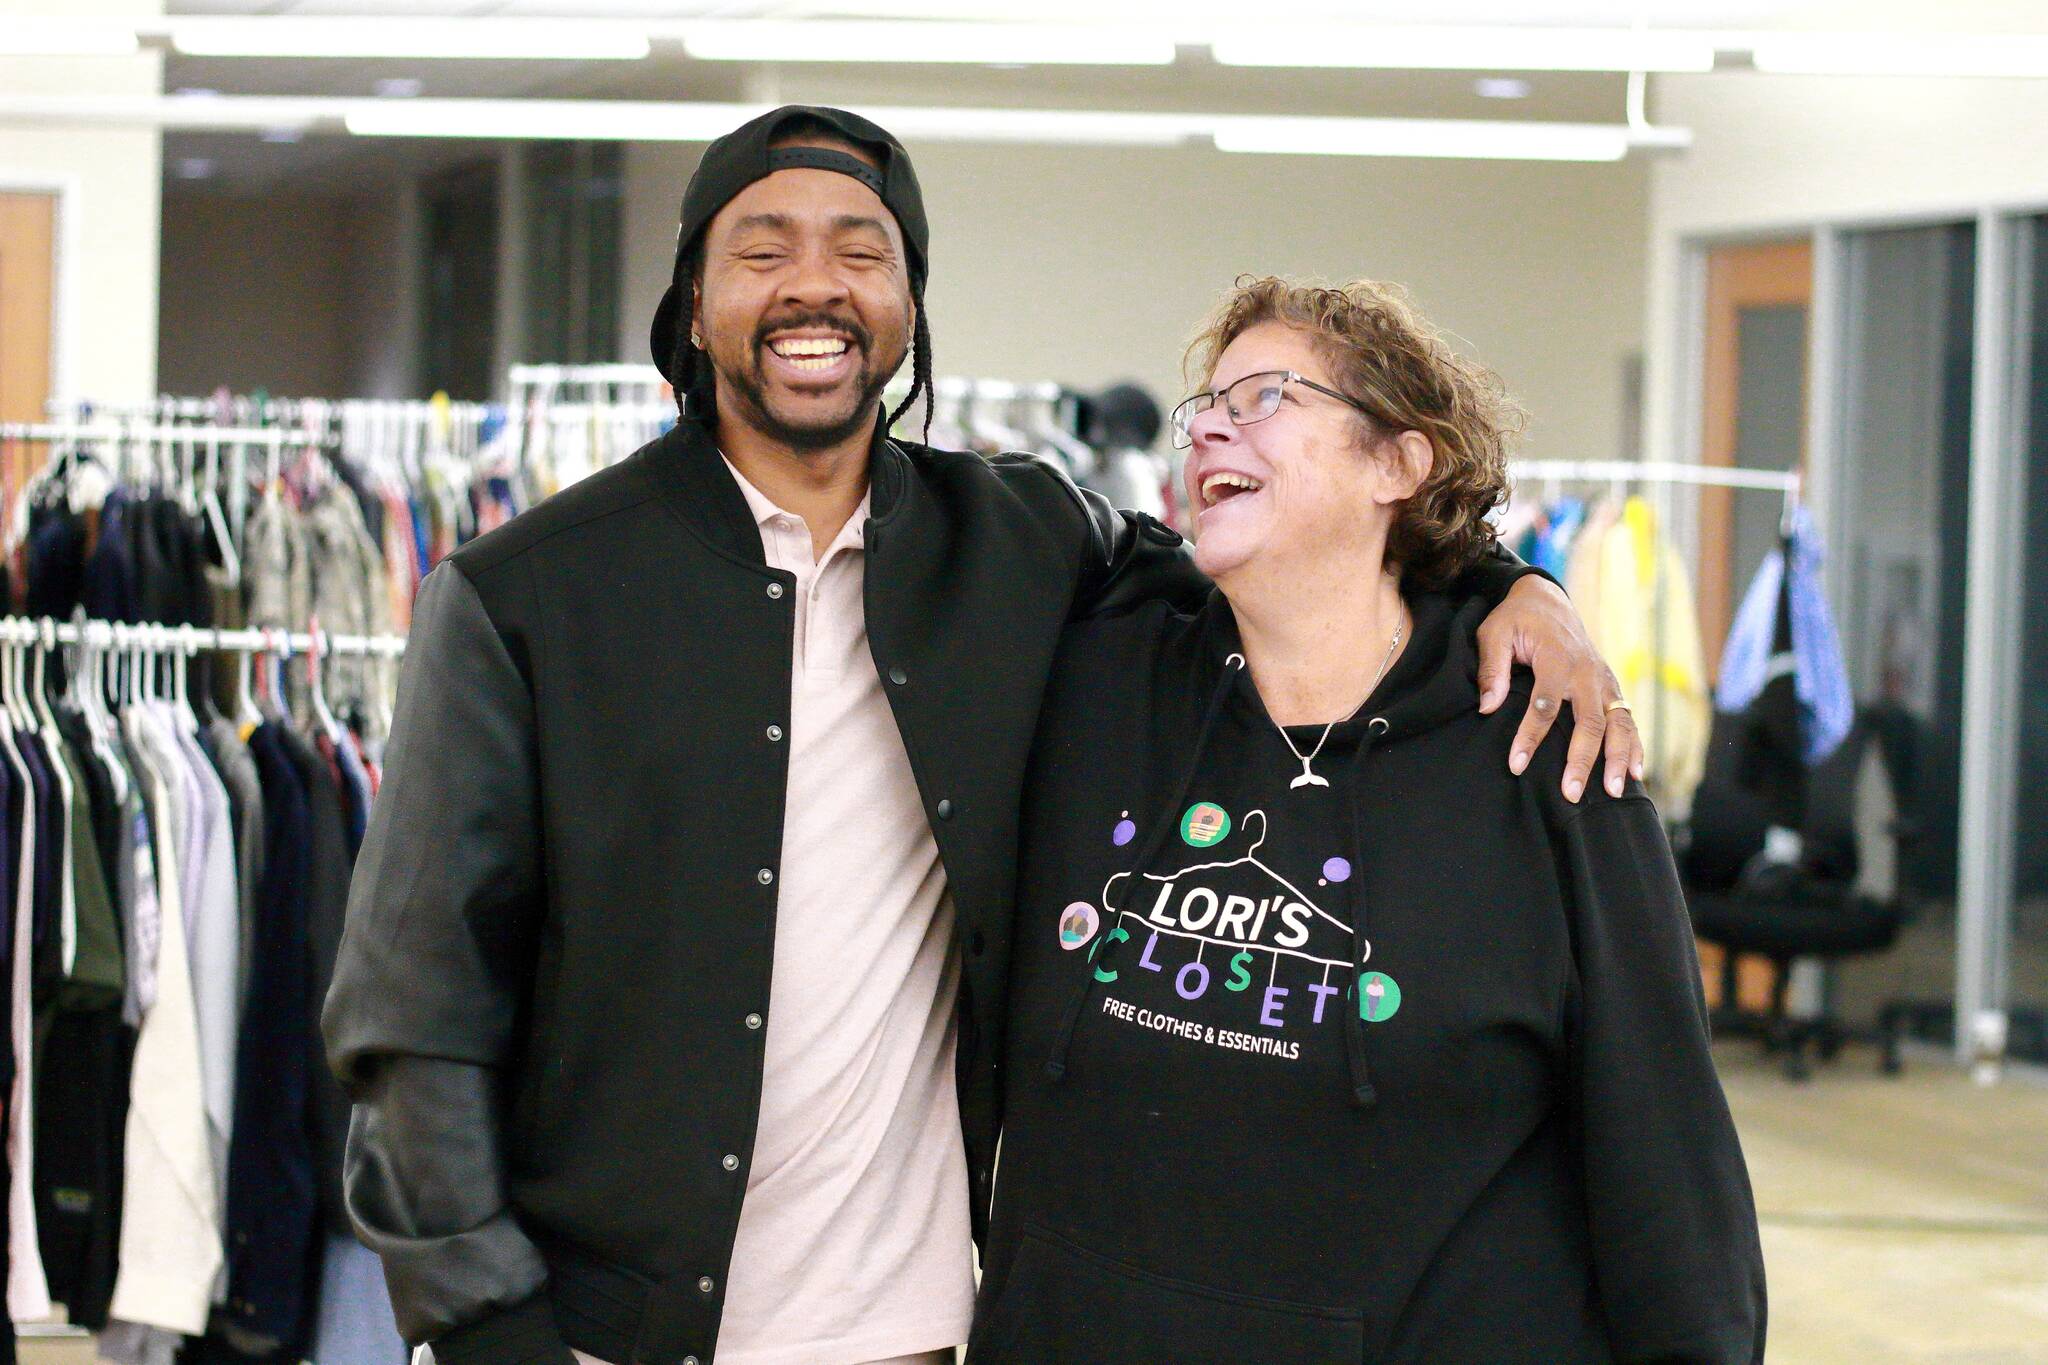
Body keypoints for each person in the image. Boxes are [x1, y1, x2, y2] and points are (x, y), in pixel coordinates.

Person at [321, 109, 1636, 1365]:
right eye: (762, 250)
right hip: (597, 1329)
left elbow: (1291, 561)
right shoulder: (524, 597)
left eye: (862, 251)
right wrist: (484, 1324)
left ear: (908, 304)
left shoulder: (1025, 545)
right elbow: (411, 1015)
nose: (814, 284)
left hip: (899, 1325)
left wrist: (1511, 584)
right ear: (694, 302)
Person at [972, 278, 1766, 1363]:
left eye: (1263, 397)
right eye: (1205, 406)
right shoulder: (1091, 681)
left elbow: (1663, 1158)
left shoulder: (1546, 749)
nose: (1207, 428)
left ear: (1397, 463)